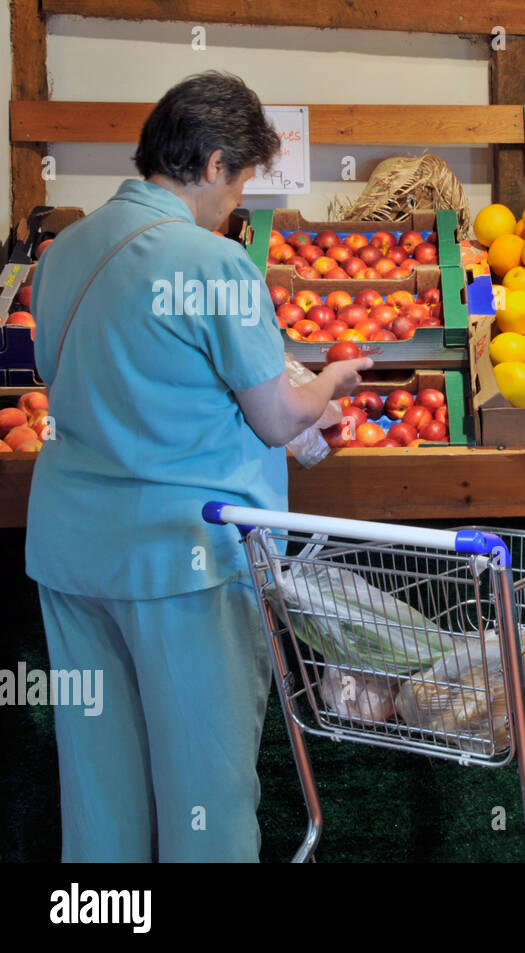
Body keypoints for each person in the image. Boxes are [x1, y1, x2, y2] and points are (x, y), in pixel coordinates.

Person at [24, 71, 371, 862]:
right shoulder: (214, 265)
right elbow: (277, 415)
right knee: (205, 801)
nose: (237, 203)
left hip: (73, 555)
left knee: (99, 791)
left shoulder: (63, 251)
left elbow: (61, 379)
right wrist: (327, 384)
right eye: (241, 179)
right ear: (215, 164)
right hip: (187, 565)